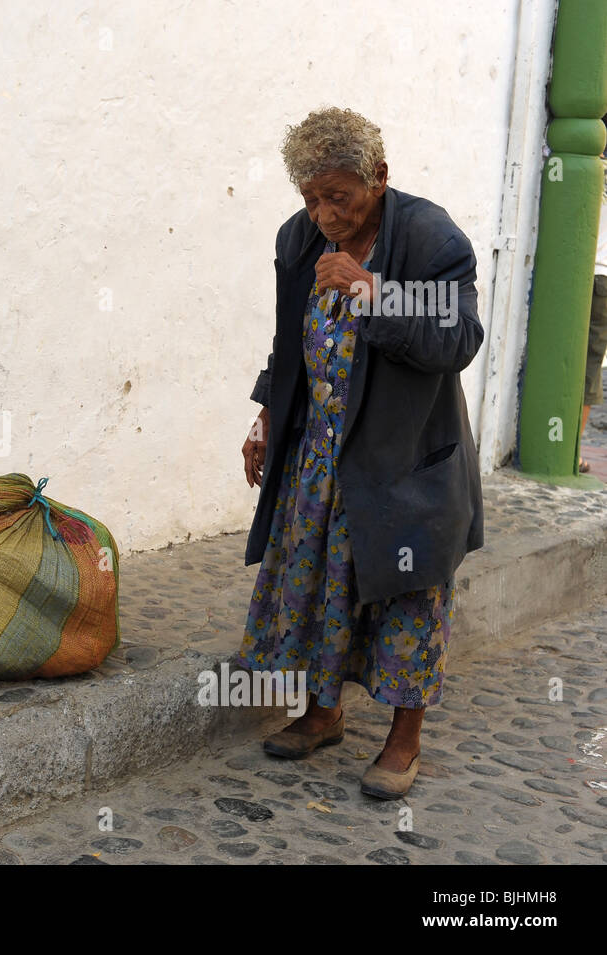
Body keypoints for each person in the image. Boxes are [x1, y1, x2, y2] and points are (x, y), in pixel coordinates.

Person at [239, 107, 485, 799]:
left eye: (337, 197)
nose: (323, 214)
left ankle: (404, 740)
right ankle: (322, 714)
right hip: (320, 457)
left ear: (379, 177)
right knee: (319, 587)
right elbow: (292, 346)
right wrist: (266, 415)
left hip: (402, 459)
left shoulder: (429, 237)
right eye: (311, 198)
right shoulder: (299, 240)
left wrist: (370, 289)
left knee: (408, 599)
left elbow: (459, 336)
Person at [580, 134, 607, 472]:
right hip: (601, 275)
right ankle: (571, 449)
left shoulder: (590, 167)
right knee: (588, 362)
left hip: (580, 271)